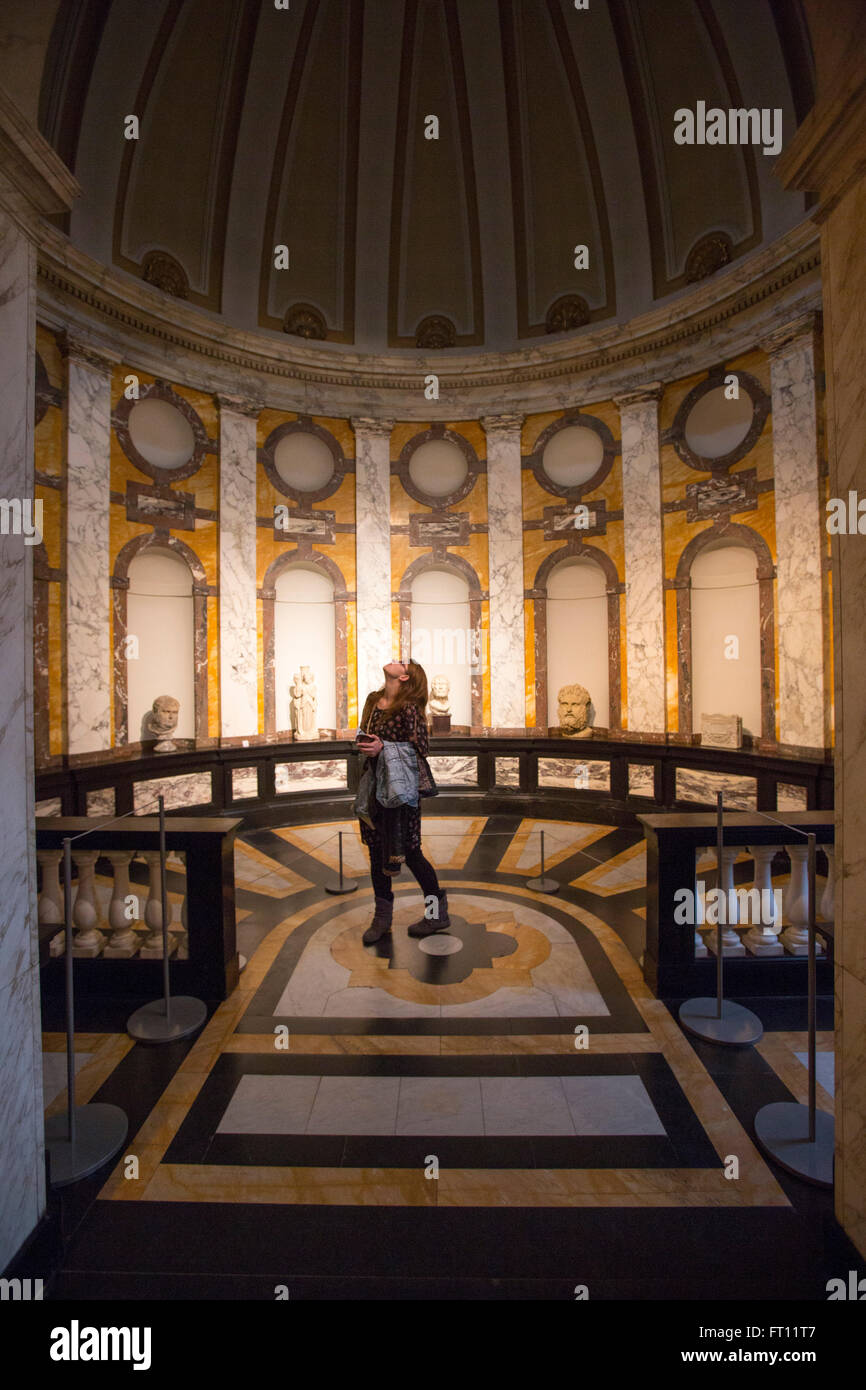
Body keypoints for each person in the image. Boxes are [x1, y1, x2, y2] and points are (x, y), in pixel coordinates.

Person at [355, 658, 449, 945]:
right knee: (374, 852)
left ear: (405, 678)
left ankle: (436, 913)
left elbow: (421, 748)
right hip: (374, 788)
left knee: (412, 853)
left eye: (401, 663)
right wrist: (366, 744)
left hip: (400, 794)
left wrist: (384, 748)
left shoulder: (409, 708)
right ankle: (382, 919)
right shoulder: (373, 700)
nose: (395, 660)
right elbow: (363, 733)